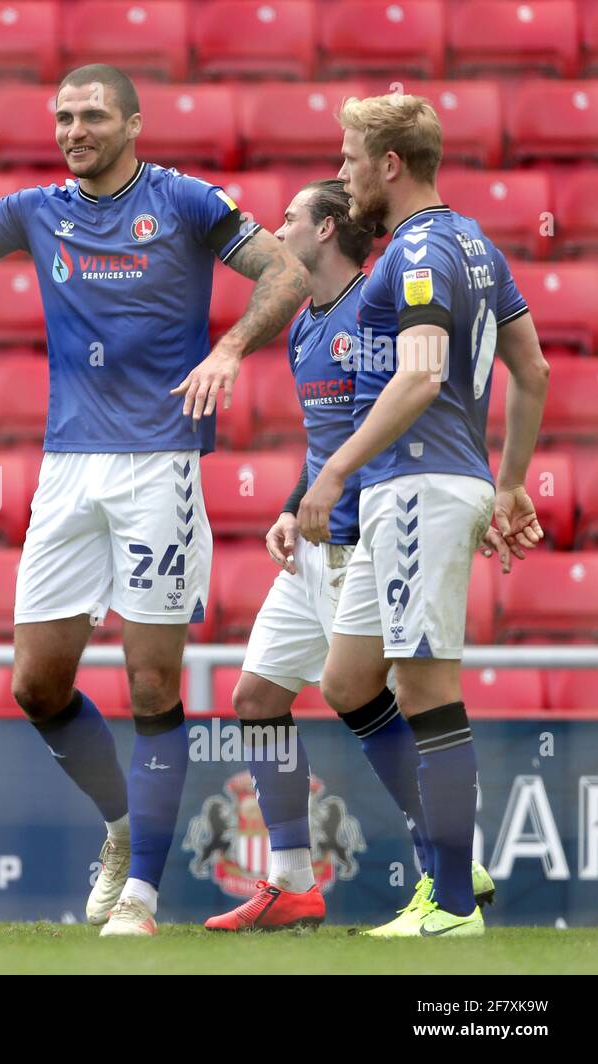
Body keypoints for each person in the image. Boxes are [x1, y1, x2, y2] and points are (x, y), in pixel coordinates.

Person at [0, 65, 308, 936]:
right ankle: (120, 829)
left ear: (134, 124)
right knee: (37, 686)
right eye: (64, 117)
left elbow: (287, 273)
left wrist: (230, 348)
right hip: (67, 469)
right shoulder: (37, 209)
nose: (74, 129)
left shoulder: (187, 201)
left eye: (92, 116)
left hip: (159, 465)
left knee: (152, 682)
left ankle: (142, 899)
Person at [203, 179, 495, 932]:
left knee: (364, 694)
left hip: (365, 538)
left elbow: (409, 410)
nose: (279, 225)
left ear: (328, 229)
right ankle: (292, 883)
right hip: (311, 545)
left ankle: (452, 862)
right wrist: (288, 506)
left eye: (291, 216)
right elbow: (329, 440)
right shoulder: (304, 327)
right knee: (257, 698)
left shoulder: (382, 304)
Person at [298, 94, 549, 938]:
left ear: (389, 165)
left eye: (348, 158)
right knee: (349, 680)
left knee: (426, 686)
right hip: (429, 486)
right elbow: (534, 368)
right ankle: (452, 861)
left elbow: (418, 376)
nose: (342, 173)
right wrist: (510, 483)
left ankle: (447, 905)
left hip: (418, 488)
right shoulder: (475, 241)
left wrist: (332, 471)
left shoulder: (415, 251)